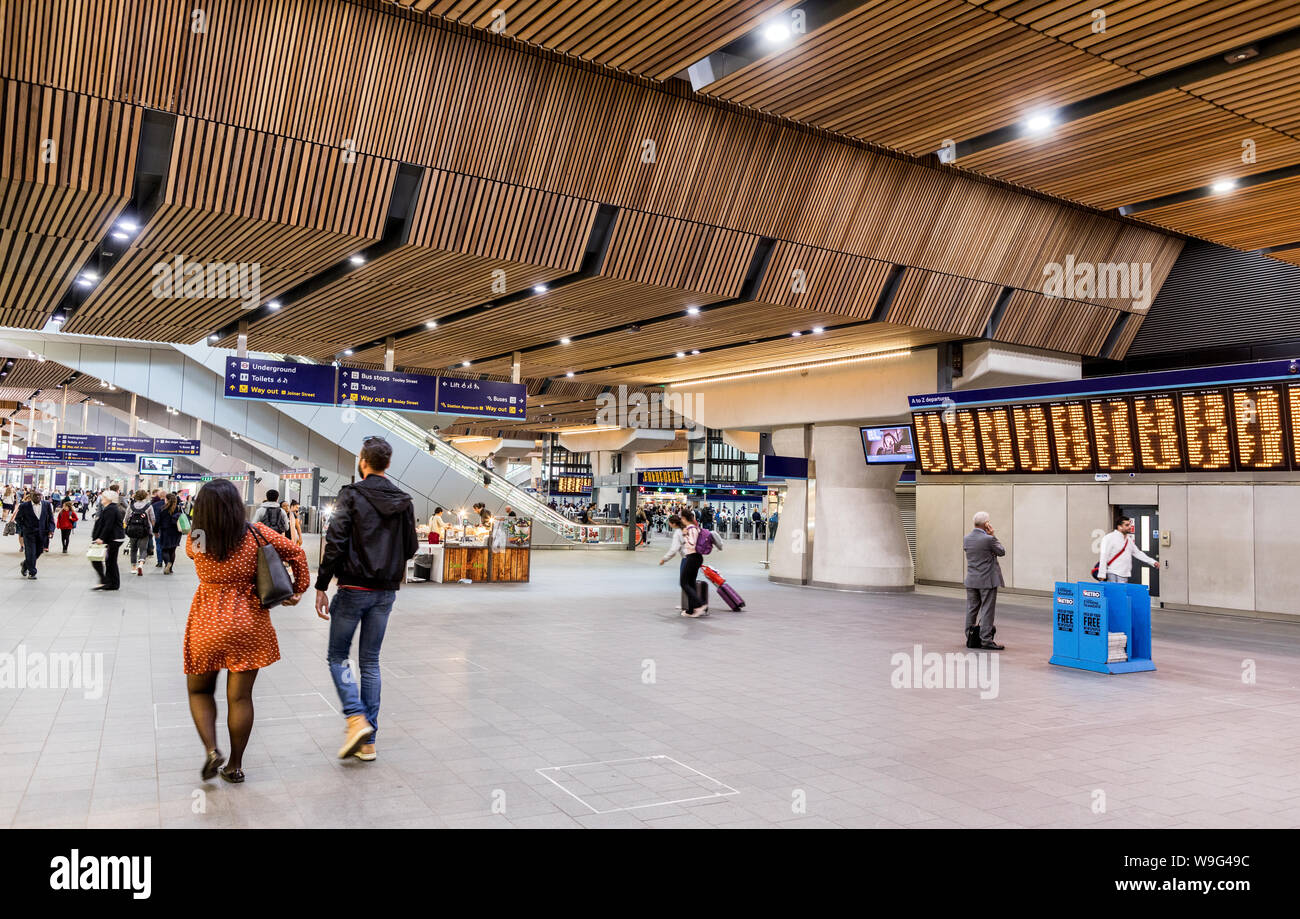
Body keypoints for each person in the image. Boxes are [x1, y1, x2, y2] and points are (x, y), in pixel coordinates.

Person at [184, 479, 308, 783]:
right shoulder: (255, 533)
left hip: (208, 621)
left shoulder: (197, 537)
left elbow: (193, 555)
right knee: (240, 699)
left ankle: (212, 750)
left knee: (199, 690)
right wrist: (297, 589)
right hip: (249, 622)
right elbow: (297, 553)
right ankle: (235, 766)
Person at [315, 436, 418, 763]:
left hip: (353, 589)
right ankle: (368, 741)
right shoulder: (404, 500)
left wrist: (321, 584)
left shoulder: (351, 495)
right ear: (387, 464)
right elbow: (412, 547)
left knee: (337, 657)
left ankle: (355, 717)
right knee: (370, 662)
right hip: (385, 591)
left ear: (363, 462)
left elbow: (336, 541)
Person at [963, 511, 1006, 650]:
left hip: (971, 580)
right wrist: (992, 535)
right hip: (987, 581)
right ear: (986, 524)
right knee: (987, 610)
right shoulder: (989, 539)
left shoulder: (966, 538)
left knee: (972, 609)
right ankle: (986, 640)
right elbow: (1001, 551)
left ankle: (969, 635)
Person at [1098, 515, 1159, 583]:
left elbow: (1137, 553)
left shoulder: (1128, 540)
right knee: (1116, 593)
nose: (1130, 527)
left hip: (1125, 574)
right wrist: (1102, 574)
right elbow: (1104, 556)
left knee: (1121, 593)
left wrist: (1153, 562)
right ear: (1119, 527)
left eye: (1130, 524)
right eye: (1127, 525)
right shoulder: (1109, 538)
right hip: (1113, 573)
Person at [90, 489, 126, 590]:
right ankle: (112, 583)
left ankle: (109, 582)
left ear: (109, 499)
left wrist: (101, 538)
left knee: (109, 561)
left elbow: (108, 525)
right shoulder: (110, 508)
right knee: (111, 561)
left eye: (104, 497)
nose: (102, 498)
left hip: (113, 538)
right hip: (114, 538)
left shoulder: (110, 509)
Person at [15, 490, 53, 579]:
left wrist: (51, 529)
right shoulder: (24, 506)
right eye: (35, 495)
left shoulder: (46, 505)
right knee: (30, 552)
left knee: (39, 551)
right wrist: (24, 528)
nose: (37, 497)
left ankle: (25, 564)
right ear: (31, 496)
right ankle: (32, 572)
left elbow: (51, 518)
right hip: (29, 533)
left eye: (39, 495)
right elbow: (18, 518)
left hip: (42, 533)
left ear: (42, 496)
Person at [125, 490, 156, 577]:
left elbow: (126, 518)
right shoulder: (148, 506)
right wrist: (153, 528)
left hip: (132, 530)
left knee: (133, 549)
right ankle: (141, 564)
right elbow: (153, 519)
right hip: (145, 531)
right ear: (145, 496)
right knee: (143, 549)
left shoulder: (131, 506)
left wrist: (128, 526)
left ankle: (133, 568)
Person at [153, 492, 183, 575]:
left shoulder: (162, 509)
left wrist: (155, 531)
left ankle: (167, 563)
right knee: (172, 550)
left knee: (164, 549)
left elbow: (157, 521)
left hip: (166, 531)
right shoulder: (179, 508)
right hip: (176, 532)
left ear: (166, 499)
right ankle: (171, 569)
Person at [151, 489, 167, 567]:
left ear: (159, 496)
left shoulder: (154, 505)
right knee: (167, 545)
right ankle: (168, 562)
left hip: (158, 528)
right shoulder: (170, 505)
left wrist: (155, 530)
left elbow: (154, 519)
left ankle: (160, 562)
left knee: (158, 544)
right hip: (168, 529)